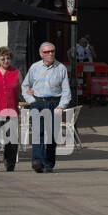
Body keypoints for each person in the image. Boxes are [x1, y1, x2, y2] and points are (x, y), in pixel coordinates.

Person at [22, 41, 72, 173]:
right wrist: (31, 101)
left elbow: (66, 91)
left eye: (52, 51)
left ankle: (48, 163)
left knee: (51, 135)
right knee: (38, 132)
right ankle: (37, 161)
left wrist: (61, 105)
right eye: (46, 52)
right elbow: (25, 86)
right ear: (41, 54)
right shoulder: (34, 67)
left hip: (54, 103)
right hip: (38, 102)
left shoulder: (61, 68)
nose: (50, 54)